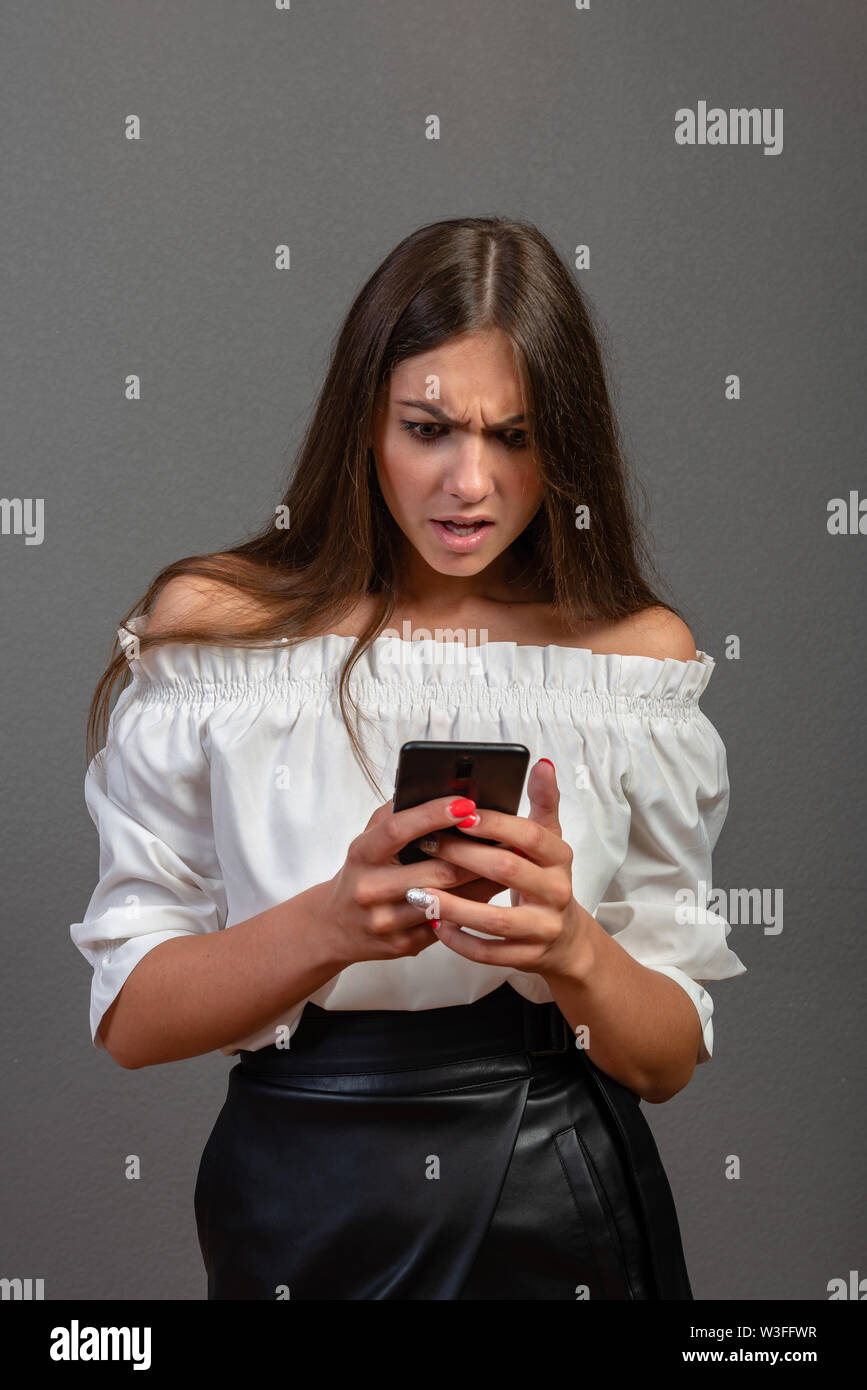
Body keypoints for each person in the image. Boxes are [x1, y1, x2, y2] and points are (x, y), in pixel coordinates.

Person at [70, 215, 747, 1300]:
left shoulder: (633, 663)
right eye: (429, 428)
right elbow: (130, 1018)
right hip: (298, 1195)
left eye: (515, 437)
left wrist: (569, 945)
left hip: (558, 1188)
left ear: (563, 445)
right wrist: (331, 924)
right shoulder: (218, 633)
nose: (469, 482)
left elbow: (665, 1058)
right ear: (363, 424)